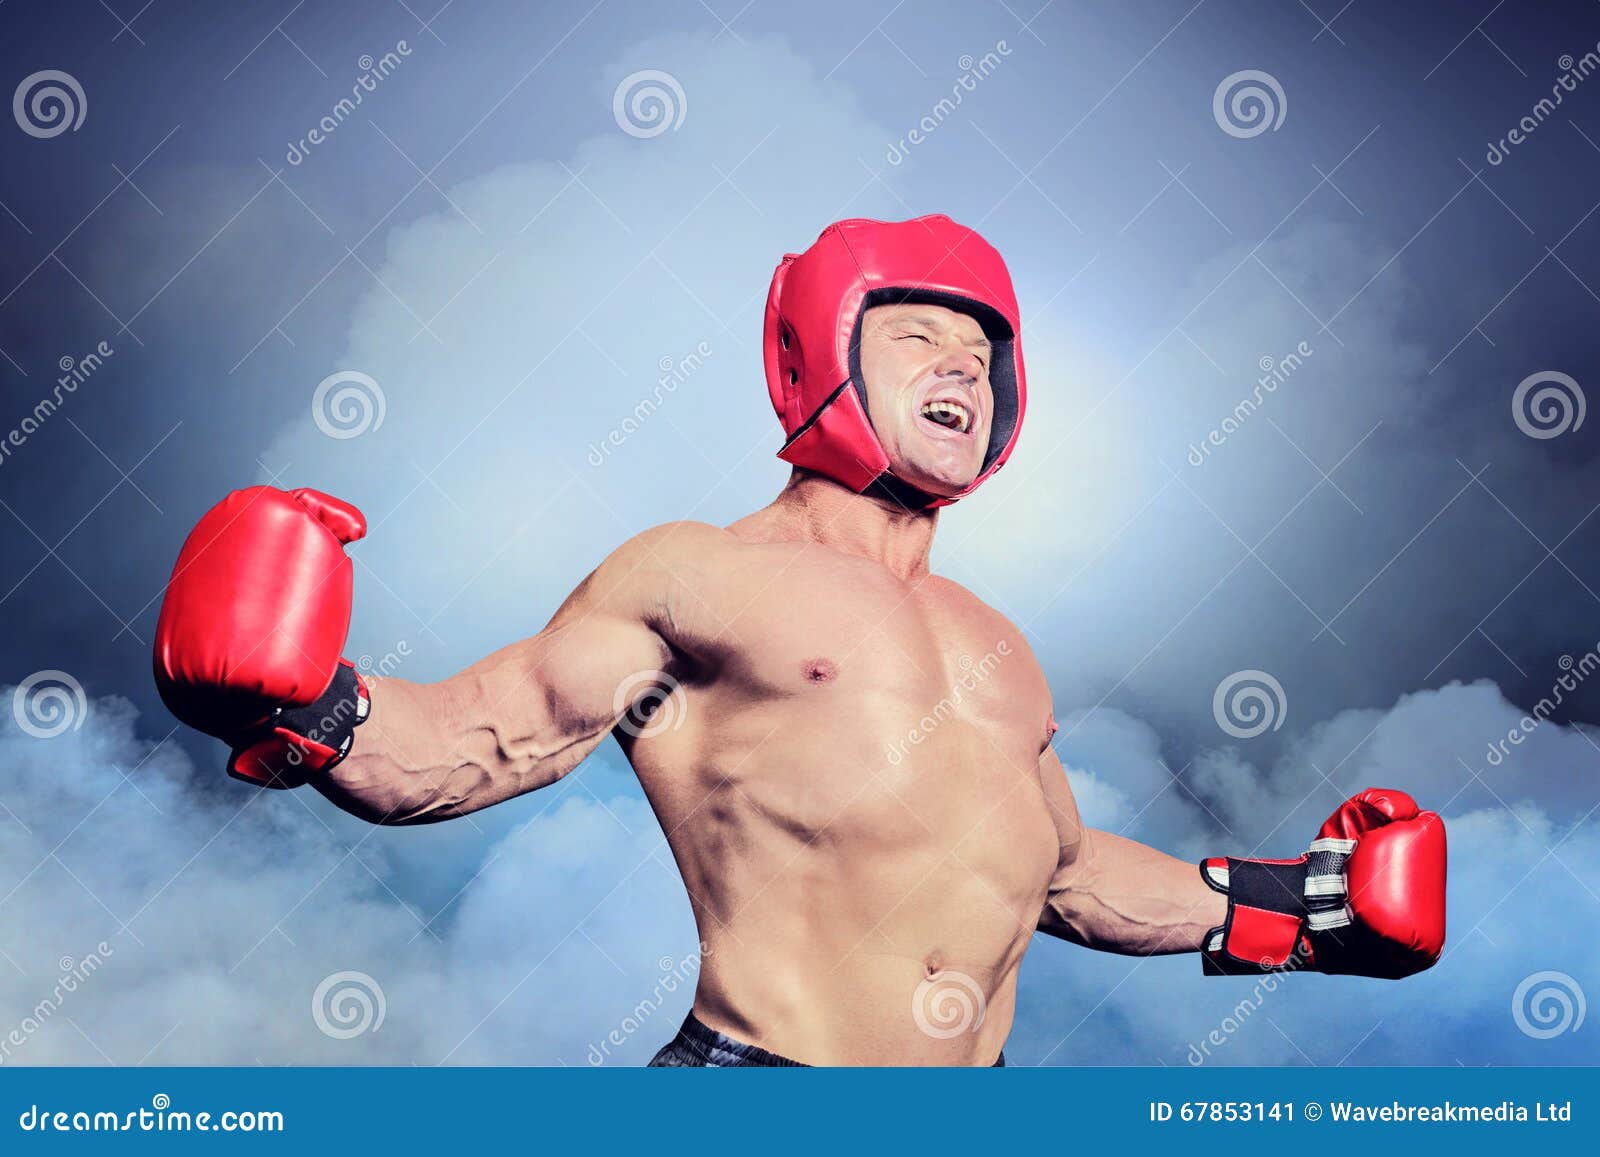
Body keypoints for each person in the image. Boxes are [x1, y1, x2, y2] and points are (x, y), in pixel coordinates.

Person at [153, 215, 1447, 1067]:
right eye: (919, 335)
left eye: (983, 348)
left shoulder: (994, 645)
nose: (963, 366)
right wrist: (308, 702)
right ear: (820, 356)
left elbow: (1061, 876)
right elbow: (479, 743)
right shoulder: (695, 571)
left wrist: (1307, 907)